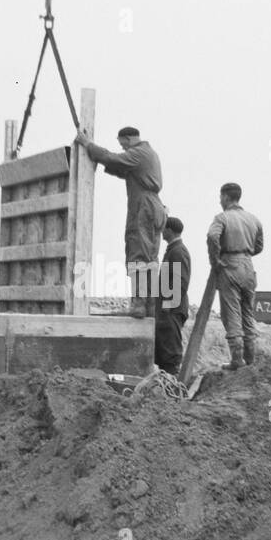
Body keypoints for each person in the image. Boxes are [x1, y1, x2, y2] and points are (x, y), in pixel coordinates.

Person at [75, 125, 165, 318]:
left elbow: (112, 158)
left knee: (138, 253)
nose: (123, 148)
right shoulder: (148, 154)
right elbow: (121, 168)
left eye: (122, 144)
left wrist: (88, 145)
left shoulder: (139, 153)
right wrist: (99, 158)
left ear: (128, 139)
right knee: (150, 257)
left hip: (143, 206)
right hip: (154, 207)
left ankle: (139, 304)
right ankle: (150, 306)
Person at [206, 183, 264, 370]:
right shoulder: (254, 219)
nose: (219, 201)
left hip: (230, 266)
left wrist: (216, 260)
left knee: (231, 313)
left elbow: (212, 236)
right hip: (248, 266)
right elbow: (259, 246)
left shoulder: (222, 218)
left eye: (220, 197)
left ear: (225, 197)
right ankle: (250, 359)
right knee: (247, 313)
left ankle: (237, 360)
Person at [154, 217, 191, 375]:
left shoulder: (177, 251)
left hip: (172, 310)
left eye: (164, 228)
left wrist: (168, 306)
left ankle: (172, 384)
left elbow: (180, 282)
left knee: (170, 352)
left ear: (169, 230)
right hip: (169, 309)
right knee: (164, 351)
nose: (162, 231)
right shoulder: (174, 250)